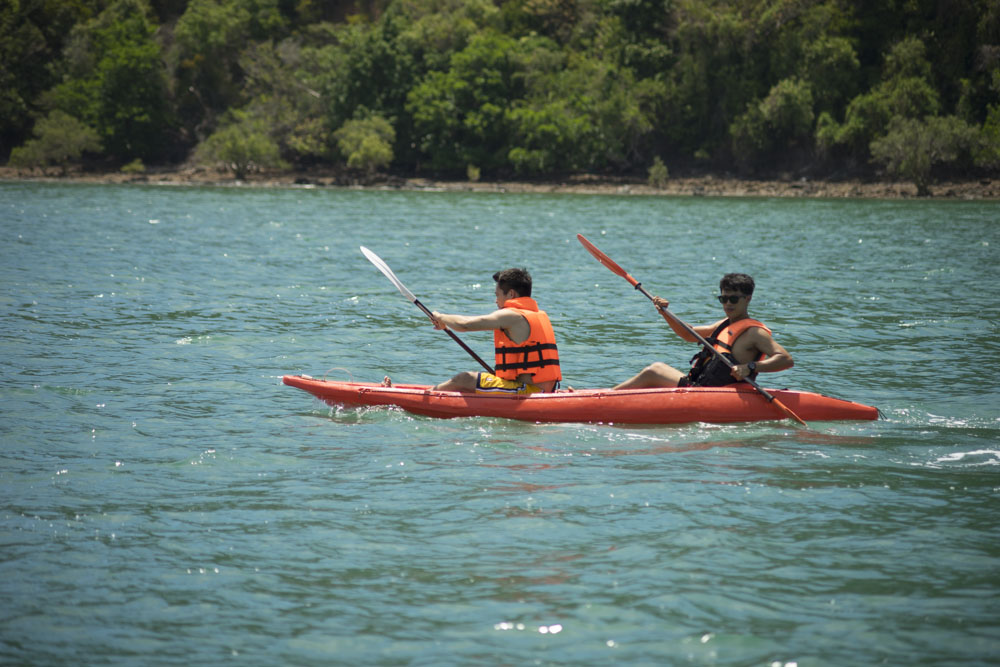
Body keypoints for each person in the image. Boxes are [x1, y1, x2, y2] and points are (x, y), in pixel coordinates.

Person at [383, 268, 561, 394]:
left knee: (464, 379)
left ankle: (418, 399)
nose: (496, 301)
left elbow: (466, 325)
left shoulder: (512, 316)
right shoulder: (536, 315)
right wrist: (446, 324)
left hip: (529, 392)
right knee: (470, 385)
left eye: (497, 295)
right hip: (545, 389)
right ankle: (424, 393)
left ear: (511, 294)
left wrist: (441, 316)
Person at [613, 273, 793, 390]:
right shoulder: (724, 324)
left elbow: (785, 359)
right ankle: (607, 396)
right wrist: (664, 312)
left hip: (721, 394)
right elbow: (688, 333)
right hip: (701, 386)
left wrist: (750, 367)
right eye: (723, 298)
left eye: (733, 299)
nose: (728, 304)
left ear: (747, 299)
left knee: (653, 371)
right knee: (656, 370)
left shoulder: (754, 332)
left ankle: (605, 397)